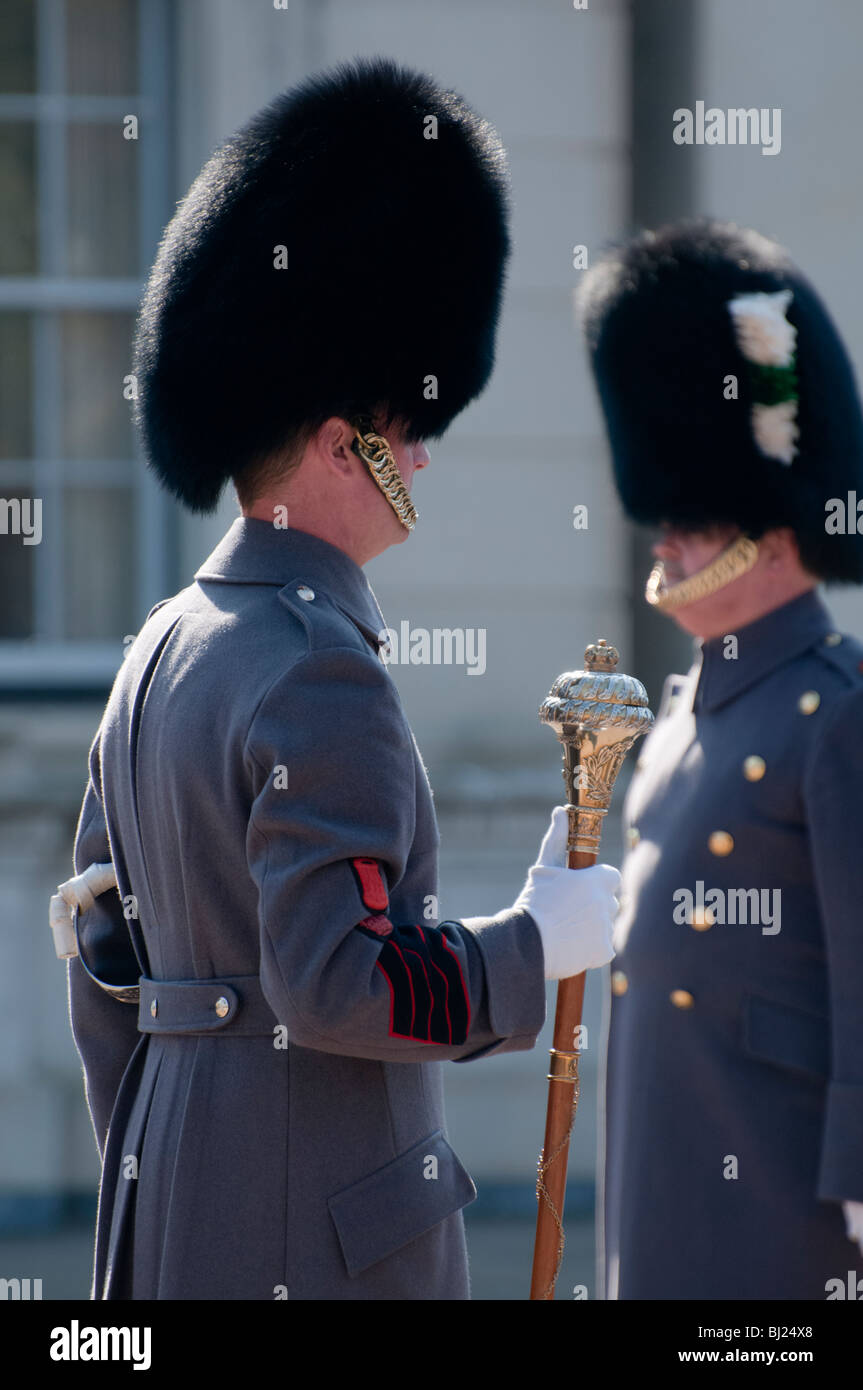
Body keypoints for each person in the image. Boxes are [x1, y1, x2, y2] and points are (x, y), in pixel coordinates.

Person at [62, 57, 621, 1301]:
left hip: (168, 1207)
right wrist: (532, 947)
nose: (421, 453)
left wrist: (170, 1167)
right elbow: (339, 982)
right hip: (317, 1240)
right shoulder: (321, 669)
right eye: (401, 427)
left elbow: (100, 968)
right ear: (334, 445)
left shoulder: (160, 645)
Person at [580, 219, 863, 1300]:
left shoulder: (831, 714)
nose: (663, 538)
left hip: (779, 1214)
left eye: (690, 518)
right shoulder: (689, 709)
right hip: (666, 1185)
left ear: (774, 527)